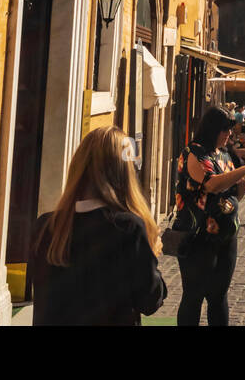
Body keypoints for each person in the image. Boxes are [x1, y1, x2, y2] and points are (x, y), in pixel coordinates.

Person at [30, 126, 166, 325]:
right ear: (124, 173)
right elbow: (150, 301)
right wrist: (151, 255)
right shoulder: (128, 228)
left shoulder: (45, 226)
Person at [169, 108, 245, 325]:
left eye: (230, 130)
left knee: (218, 295)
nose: (228, 135)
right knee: (193, 296)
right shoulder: (194, 153)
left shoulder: (223, 154)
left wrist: (242, 181)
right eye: (225, 130)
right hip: (197, 235)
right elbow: (212, 185)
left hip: (225, 235)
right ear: (212, 129)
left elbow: (235, 194)